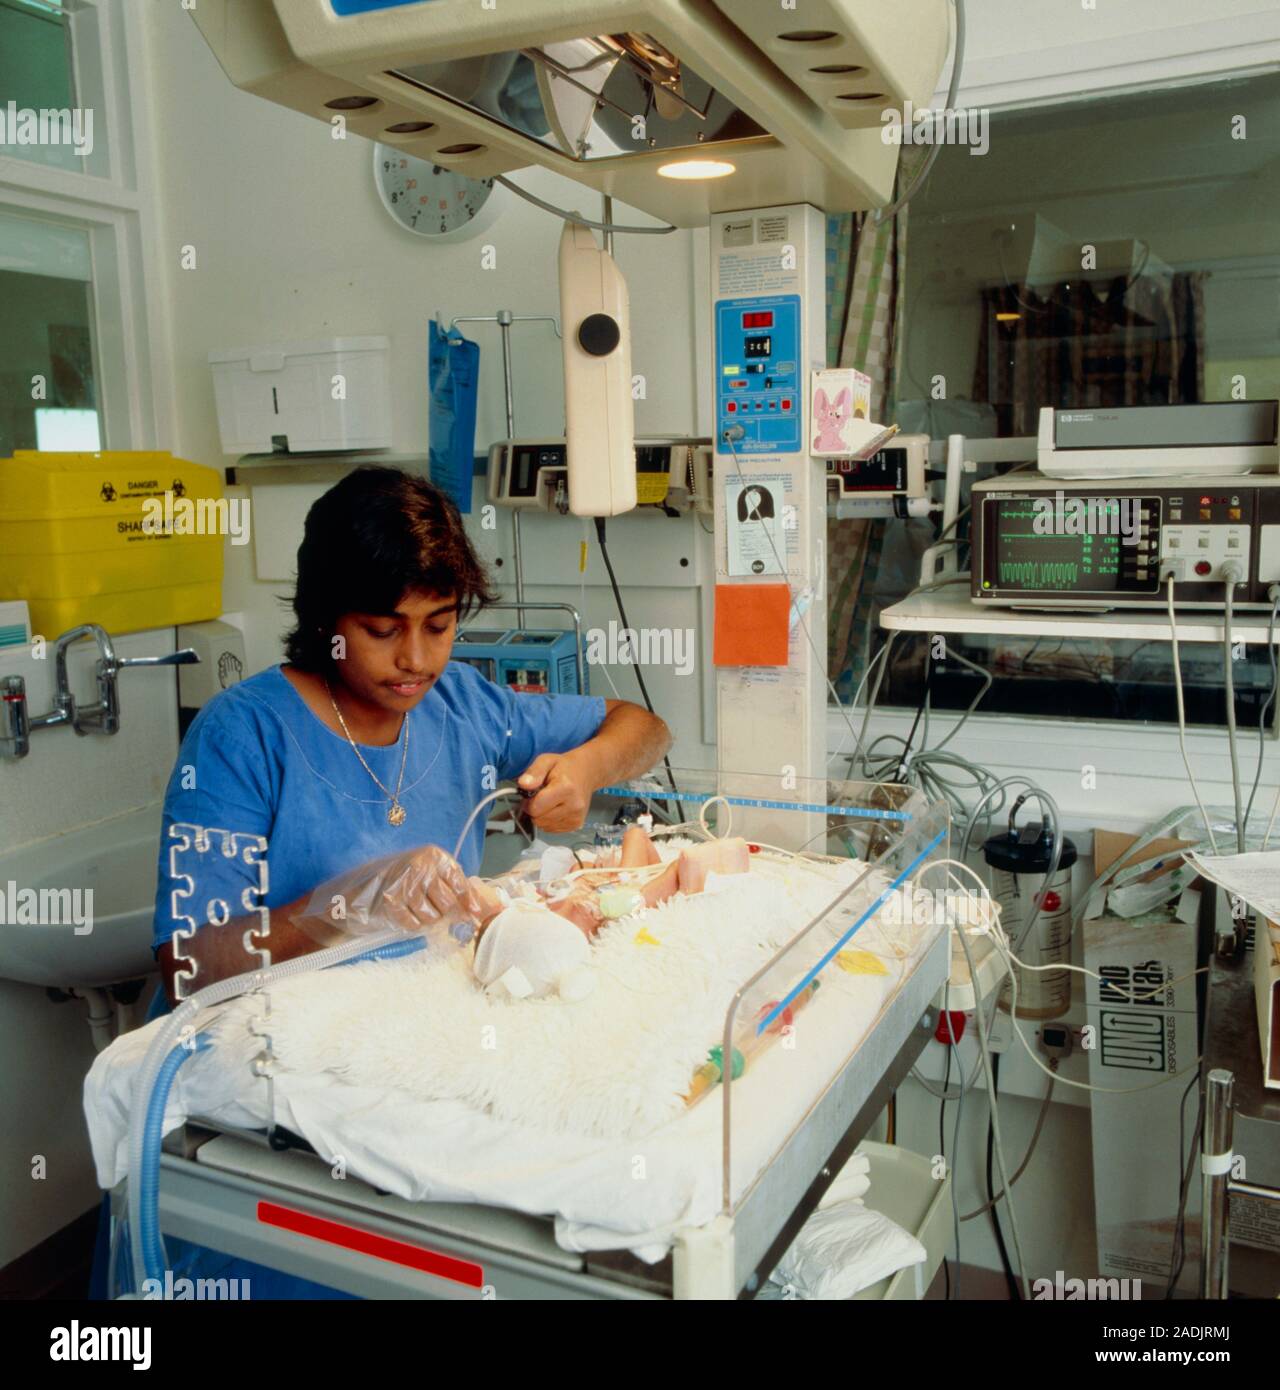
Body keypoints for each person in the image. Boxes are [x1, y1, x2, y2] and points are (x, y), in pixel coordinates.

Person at [152, 466, 671, 1002]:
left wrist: (586, 769)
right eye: (383, 631)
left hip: (408, 1026)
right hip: (267, 1044)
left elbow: (645, 728)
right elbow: (188, 967)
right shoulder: (243, 735)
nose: (416, 660)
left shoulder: (465, 706)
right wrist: (348, 903)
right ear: (325, 618)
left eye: (439, 626)